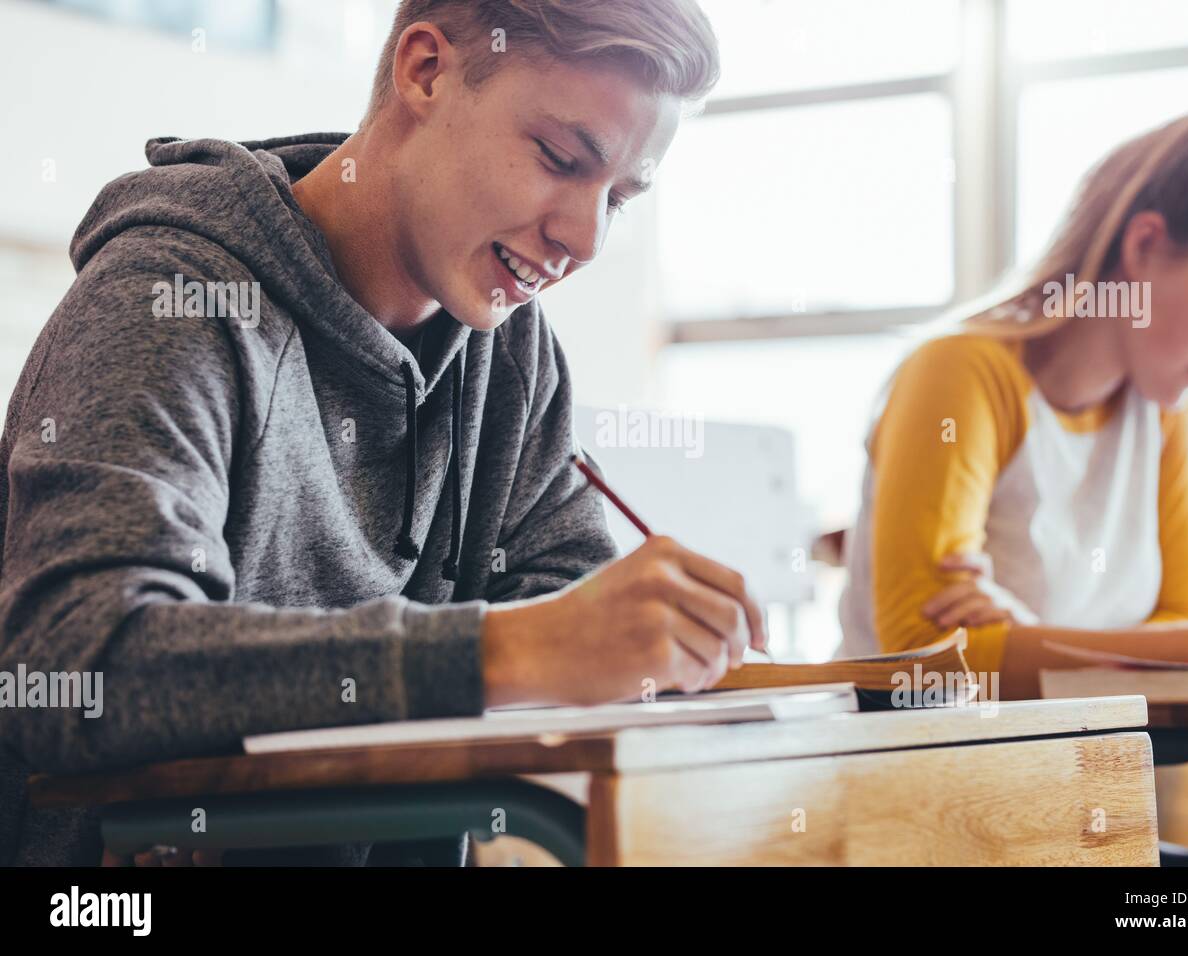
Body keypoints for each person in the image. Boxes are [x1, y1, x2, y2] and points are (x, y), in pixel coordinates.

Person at [0, 0, 765, 867]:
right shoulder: (170, 297)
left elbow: (565, 608)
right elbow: (80, 669)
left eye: (619, 200)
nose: (584, 239)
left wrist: (657, 645)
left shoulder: (509, 352)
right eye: (560, 158)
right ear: (426, 71)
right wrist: (515, 651)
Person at [838, 98, 1188, 701]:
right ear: (1146, 245)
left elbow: (1183, 620)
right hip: (911, 772)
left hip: (1079, 769)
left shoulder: (1164, 406)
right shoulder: (960, 373)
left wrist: (1026, 640)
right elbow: (926, 657)